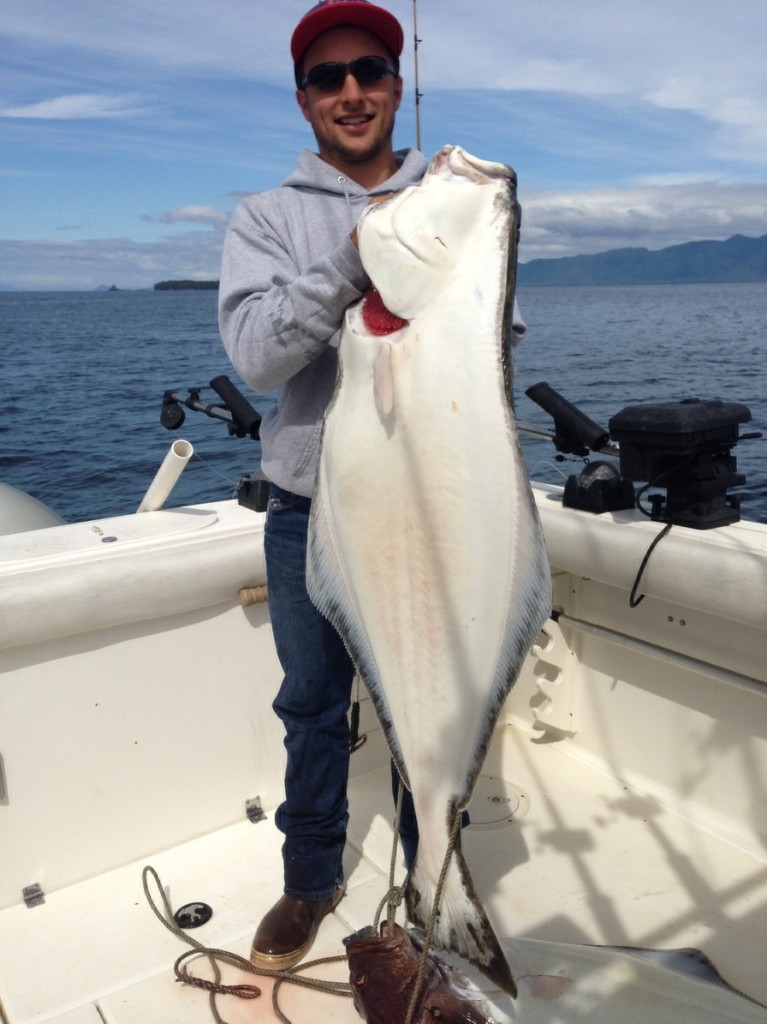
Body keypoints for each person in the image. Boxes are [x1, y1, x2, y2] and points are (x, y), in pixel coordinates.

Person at [218, 0, 429, 972]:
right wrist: (355, 257)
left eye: (368, 69)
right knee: (311, 700)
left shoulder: (447, 197)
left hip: (424, 502)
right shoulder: (264, 217)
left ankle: (435, 878)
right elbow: (259, 355)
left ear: (395, 82)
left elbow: (493, 340)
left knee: (422, 699)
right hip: (305, 508)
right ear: (302, 98)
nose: (350, 91)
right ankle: (310, 879)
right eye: (325, 76)